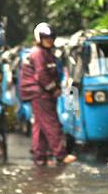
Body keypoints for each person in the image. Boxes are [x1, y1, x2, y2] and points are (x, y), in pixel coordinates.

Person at [24, 21, 74, 166]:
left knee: (40, 126)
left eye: (51, 37)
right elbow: (41, 75)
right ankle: (61, 155)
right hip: (40, 94)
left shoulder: (46, 53)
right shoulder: (38, 53)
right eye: (45, 37)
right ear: (39, 38)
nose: (49, 40)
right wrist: (54, 89)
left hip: (39, 94)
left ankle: (39, 157)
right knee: (52, 123)